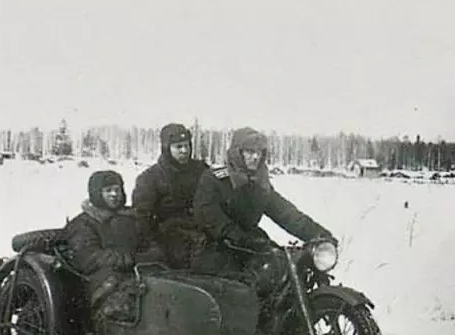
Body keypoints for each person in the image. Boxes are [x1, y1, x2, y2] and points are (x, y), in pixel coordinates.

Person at [192, 127, 336, 292]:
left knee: (284, 271)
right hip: (215, 249)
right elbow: (208, 216)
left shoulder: (259, 183)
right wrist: (237, 236)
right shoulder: (214, 179)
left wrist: (318, 235)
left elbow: (286, 213)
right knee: (241, 291)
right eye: (249, 151)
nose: (255, 157)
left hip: (247, 245)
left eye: (259, 152)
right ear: (237, 153)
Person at [61, 170, 164, 324]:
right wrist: (125, 259)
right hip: (101, 280)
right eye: (108, 190)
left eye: (117, 189)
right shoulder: (83, 223)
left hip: (139, 273)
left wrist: (149, 256)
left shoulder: (133, 217)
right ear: (96, 193)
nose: (114, 194)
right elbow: (89, 258)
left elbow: (153, 244)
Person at [132, 123, 209, 268]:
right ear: (167, 148)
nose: (184, 151)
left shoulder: (201, 170)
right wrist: (151, 245)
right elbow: (141, 216)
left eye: (187, 146)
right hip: (170, 237)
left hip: (203, 229)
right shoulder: (151, 177)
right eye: (178, 147)